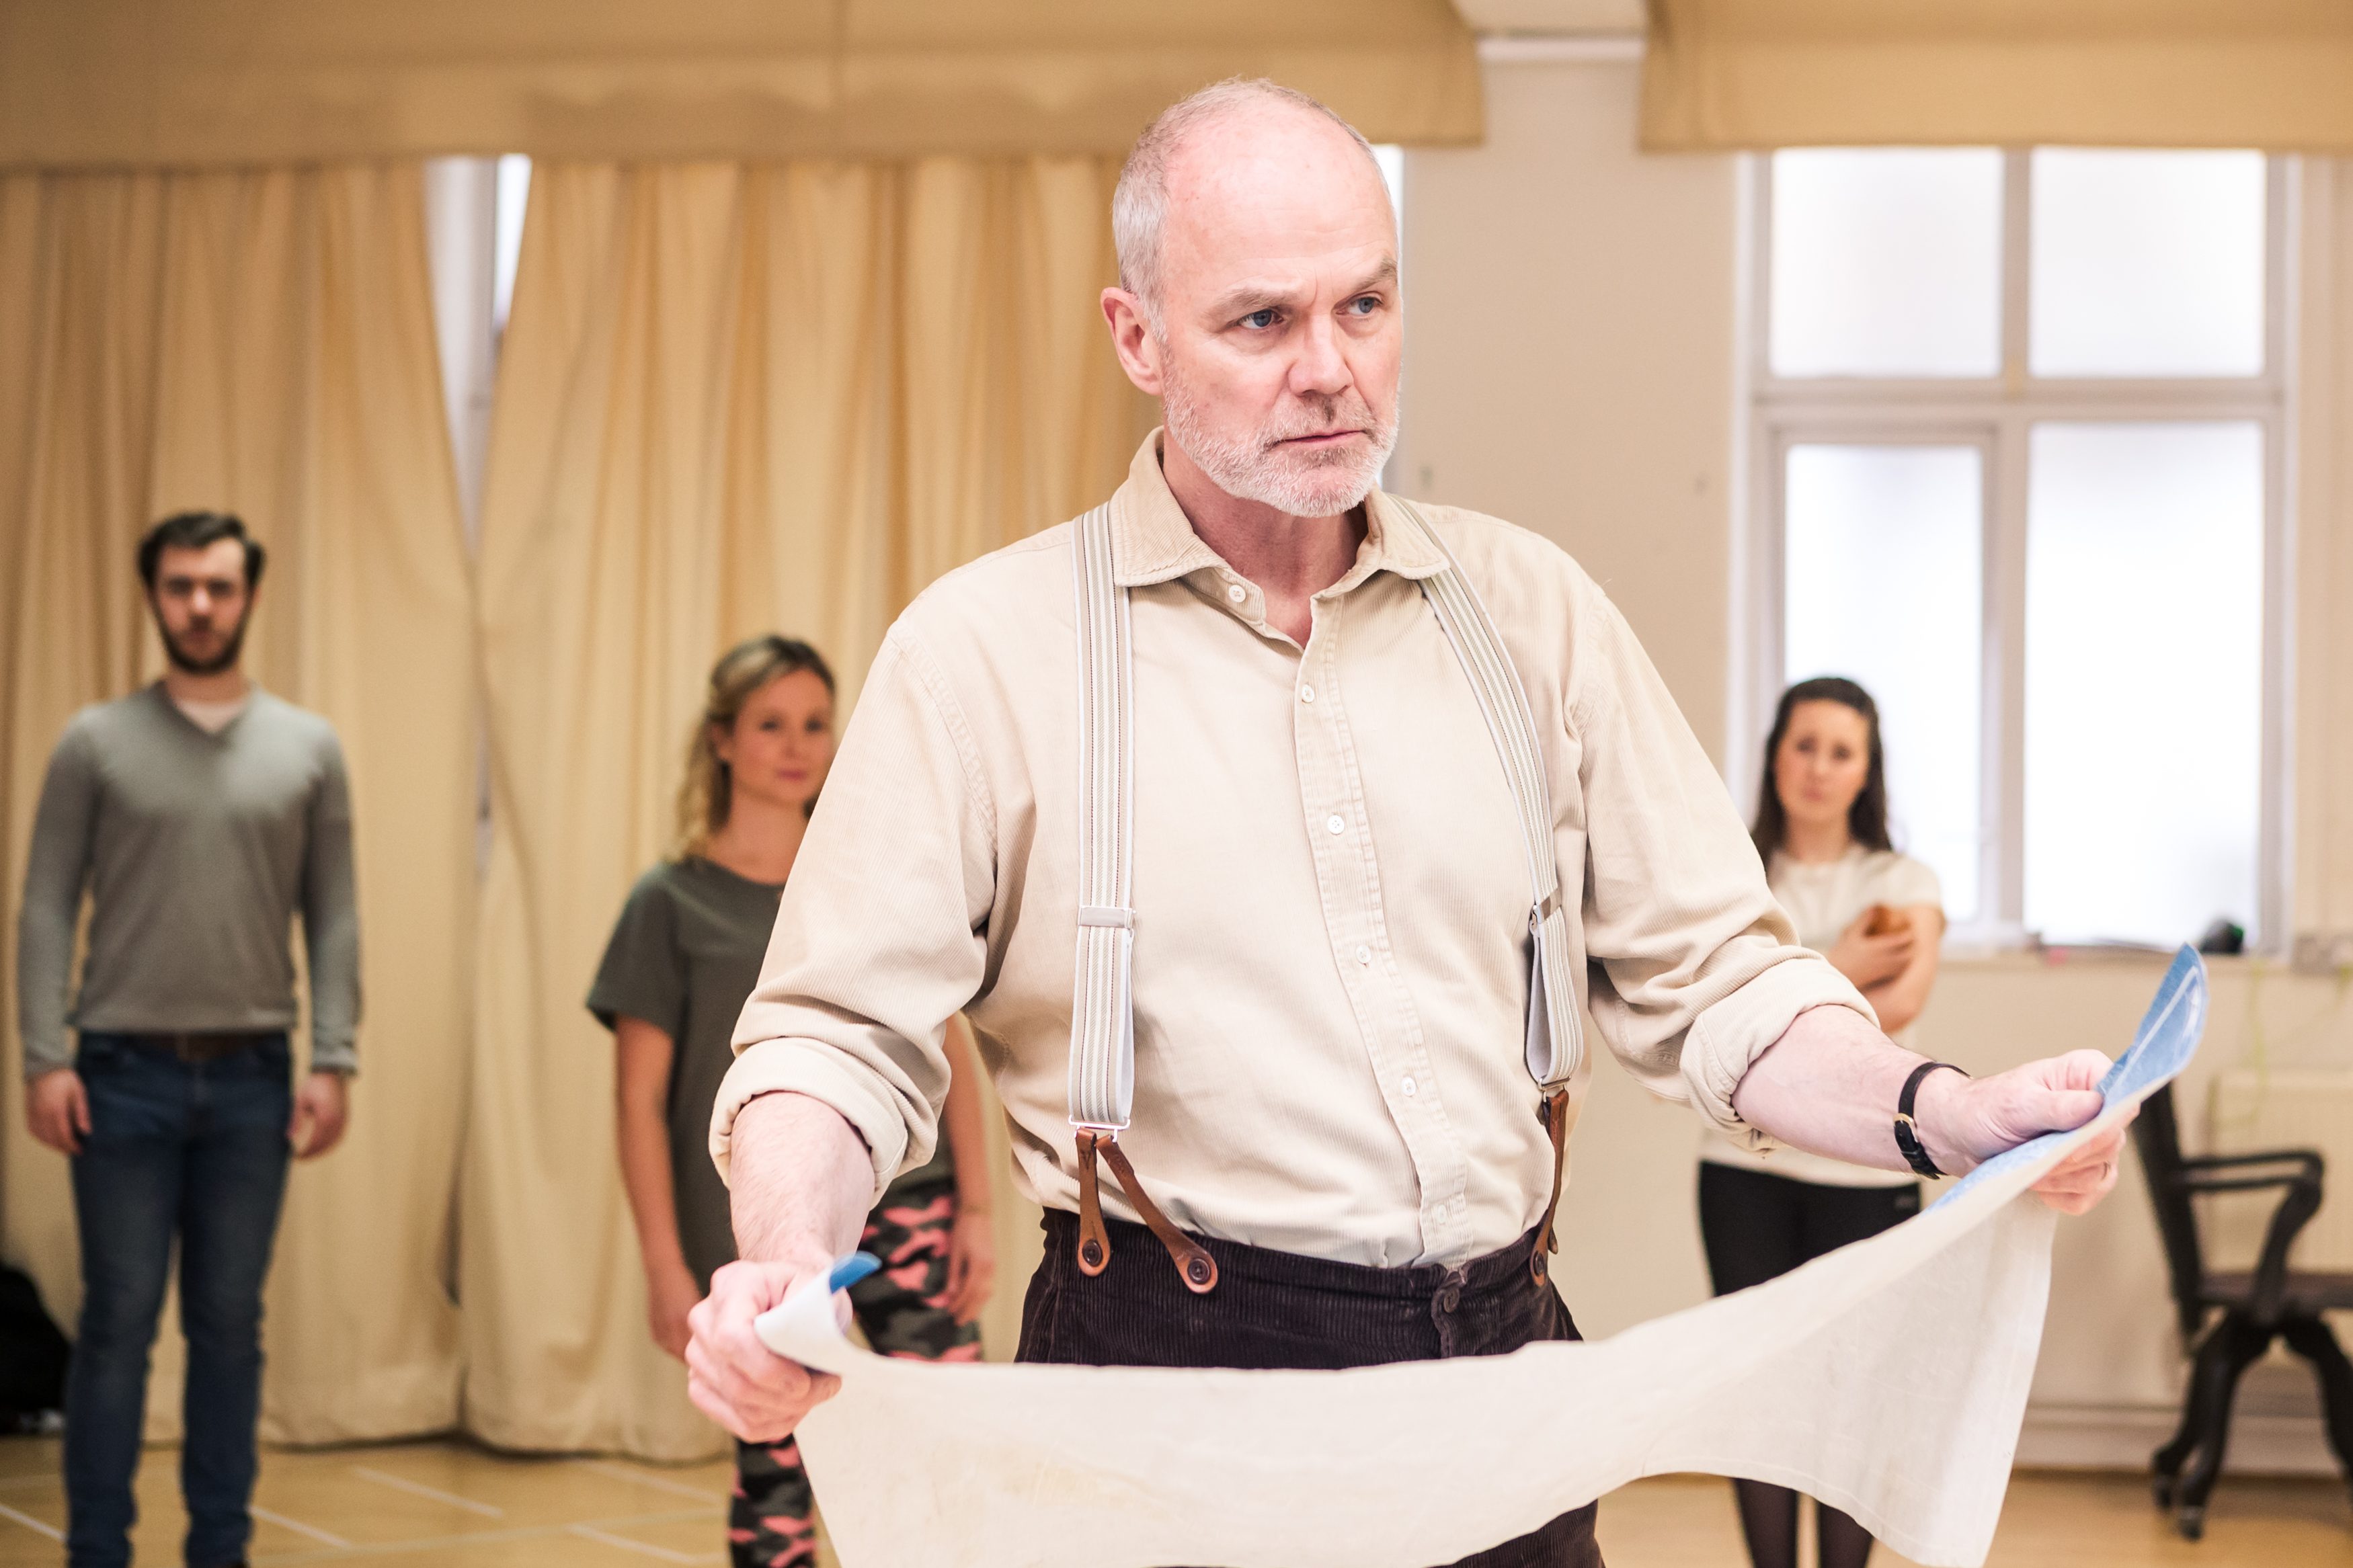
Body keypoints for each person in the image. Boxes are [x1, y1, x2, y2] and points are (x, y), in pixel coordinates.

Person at [681, 80, 2129, 1568]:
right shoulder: (982, 653)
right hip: (1162, 1401)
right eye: (1261, 323)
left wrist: (1941, 1112)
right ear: (1137, 338)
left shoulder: (1533, 616)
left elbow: (1726, 983)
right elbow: (830, 1041)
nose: (1332, 372)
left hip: (1507, 1385)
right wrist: (785, 1259)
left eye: (1365, 305)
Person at [587, 635, 995, 1568]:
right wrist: (662, 1265)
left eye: (816, 722)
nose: (798, 744)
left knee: (947, 1441)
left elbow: (948, 1048)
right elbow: (638, 1104)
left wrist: (974, 1207)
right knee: (777, 1460)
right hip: (765, 1230)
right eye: (772, 723)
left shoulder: (869, 880)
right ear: (723, 740)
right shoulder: (670, 903)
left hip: (912, 1208)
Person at [17, 510, 356, 1568]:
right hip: (119, 1073)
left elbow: (334, 912)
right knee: (116, 1323)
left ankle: (220, 1548)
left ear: (249, 592)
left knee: (229, 1326)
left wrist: (334, 1056)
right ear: (154, 594)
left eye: (217, 584)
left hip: (256, 1077)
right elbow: (42, 905)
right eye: (179, 586)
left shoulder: (308, 746)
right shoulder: (94, 742)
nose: (199, 605)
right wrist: (44, 1052)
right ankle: (97, 1550)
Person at [1699, 677, 1944, 1568]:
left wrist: (1781, 980)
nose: (1819, 766)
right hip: (1741, 1172)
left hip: (1869, 1172)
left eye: (1842, 751)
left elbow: (1902, 1000)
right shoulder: (1730, 873)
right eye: (1805, 744)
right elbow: (1713, 1007)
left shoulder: (1902, 881)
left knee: (1856, 1393)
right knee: (1760, 1388)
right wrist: (1839, 961)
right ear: (1775, 753)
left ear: (1866, 770)